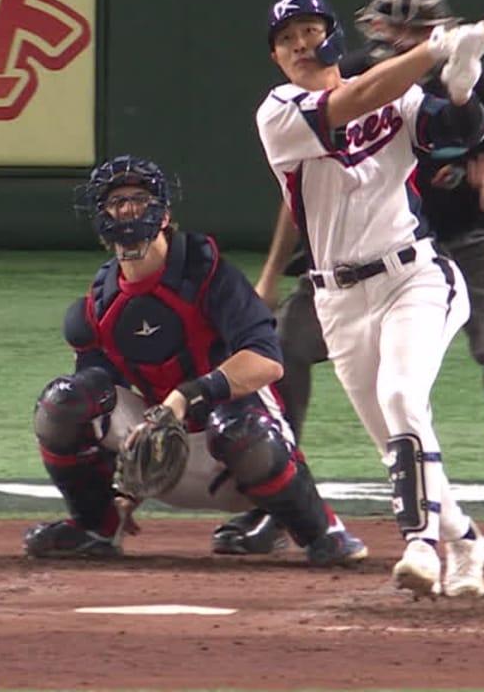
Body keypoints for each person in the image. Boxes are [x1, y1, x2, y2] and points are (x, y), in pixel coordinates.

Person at [218, 0, 484, 564]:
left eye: (418, 30)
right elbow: (306, 180)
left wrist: (466, 94)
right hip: (350, 258)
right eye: (392, 27)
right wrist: (273, 273)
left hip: (463, 239)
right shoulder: (343, 84)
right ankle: (276, 501)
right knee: (280, 349)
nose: (402, 38)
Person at [250, 0, 484, 599]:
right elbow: (353, 101)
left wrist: (462, 82)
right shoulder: (279, 112)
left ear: (332, 36)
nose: (299, 46)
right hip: (337, 300)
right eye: (286, 40)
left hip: (414, 276)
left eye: (309, 31)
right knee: (396, 440)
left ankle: (420, 545)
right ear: (276, 59)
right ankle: (465, 540)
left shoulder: (399, 95)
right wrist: (434, 51)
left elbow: (459, 132)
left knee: (402, 396)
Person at [22, 154, 369, 568]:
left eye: (139, 199)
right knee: (63, 402)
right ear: (101, 216)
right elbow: (98, 408)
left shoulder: (208, 273)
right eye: (117, 202)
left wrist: (187, 396)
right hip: (163, 451)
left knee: (241, 431)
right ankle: (96, 525)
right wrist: (127, 488)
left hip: (237, 451)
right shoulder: (97, 305)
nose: (128, 210)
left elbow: (267, 362)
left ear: (165, 214)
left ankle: (318, 530)